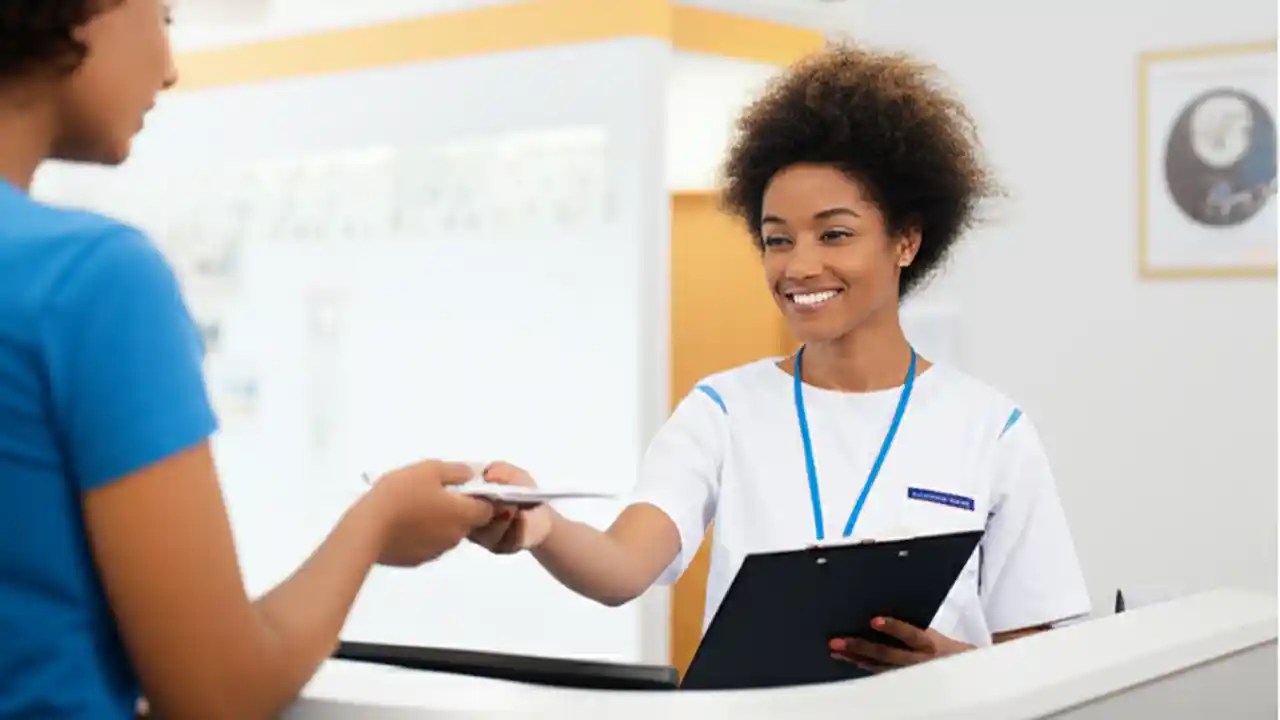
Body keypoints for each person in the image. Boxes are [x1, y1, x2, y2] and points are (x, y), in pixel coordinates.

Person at [470, 44, 1091, 672]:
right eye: (777, 239)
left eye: (835, 234)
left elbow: (1045, 663)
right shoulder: (722, 412)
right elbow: (623, 567)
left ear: (906, 240)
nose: (799, 266)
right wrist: (540, 527)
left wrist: (948, 665)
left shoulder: (991, 430)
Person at [0, 2, 495, 717]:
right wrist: (378, 522)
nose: (169, 70)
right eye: (164, 16)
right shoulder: (91, 279)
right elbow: (219, 693)